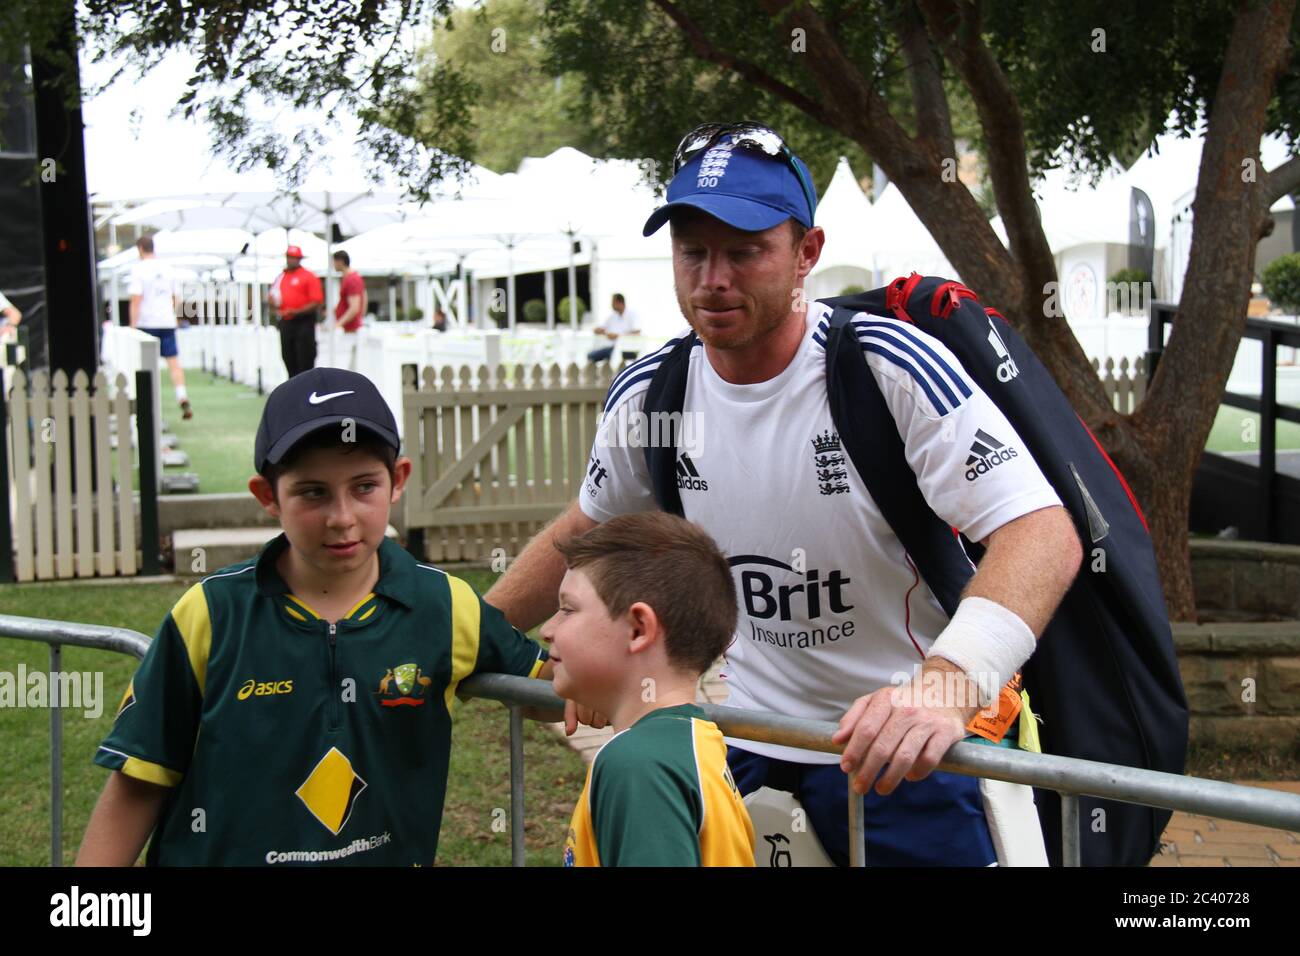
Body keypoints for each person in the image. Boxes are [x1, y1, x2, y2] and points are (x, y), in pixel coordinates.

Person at [486, 122, 1083, 867]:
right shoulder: (652, 394)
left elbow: (1042, 531)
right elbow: (589, 528)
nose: (713, 279)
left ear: (807, 254)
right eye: (692, 252)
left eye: (745, 251)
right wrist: (461, 635)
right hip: (747, 745)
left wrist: (944, 689)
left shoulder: (885, 368)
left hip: (908, 755)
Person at [76, 367, 556, 866]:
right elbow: (139, 781)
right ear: (268, 496)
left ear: (398, 480)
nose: (342, 517)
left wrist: (601, 636)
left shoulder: (444, 604)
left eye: (364, 487)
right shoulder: (211, 614)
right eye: (313, 493)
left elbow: (549, 692)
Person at [543, 512, 755, 867]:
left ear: (639, 629)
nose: (548, 629)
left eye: (567, 609)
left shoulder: (638, 766)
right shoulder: (695, 742)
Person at [128, 236, 192, 420]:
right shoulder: (168, 268)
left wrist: (133, 325)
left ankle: (150, 404)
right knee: (173, 363)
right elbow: (176, 298)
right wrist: (175, 317)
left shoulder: (138, 269)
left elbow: (136, 300)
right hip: (166, 322)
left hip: (146, 323)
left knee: (146, 367)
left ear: (140, 249)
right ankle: (182, 395)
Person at [270, 245, 324, 378]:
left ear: (299, 259)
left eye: (294, 258)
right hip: (286, 322)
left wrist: (296, 311)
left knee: (305, 358)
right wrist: (273, 304)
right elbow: (273, 297)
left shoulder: (309, 276)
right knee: (288, 356)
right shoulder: (281, 277)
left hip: (303, 322)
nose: (291, 260)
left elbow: (316, 301)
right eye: (289, 257)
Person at [332, 251, 366, 370]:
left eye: (334, 262)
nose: (333, 265)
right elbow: (364, 299)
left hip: (351, 330)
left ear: (340, 262)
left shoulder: (352, 279)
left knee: (348, 367)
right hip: (350, 329)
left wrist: (338, 324)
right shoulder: (352, 278)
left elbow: (355, 307)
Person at [587, 293, 640, 363]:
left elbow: (637, 332)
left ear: (620, 302)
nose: (611, 305)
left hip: (628, 348)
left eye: (613, 303)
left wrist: (618, 336)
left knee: (613, 355)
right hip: (613, 347)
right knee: (591, 355)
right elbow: (600, 329)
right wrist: (599, 331)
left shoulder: (632, 315)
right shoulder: (612, 317)